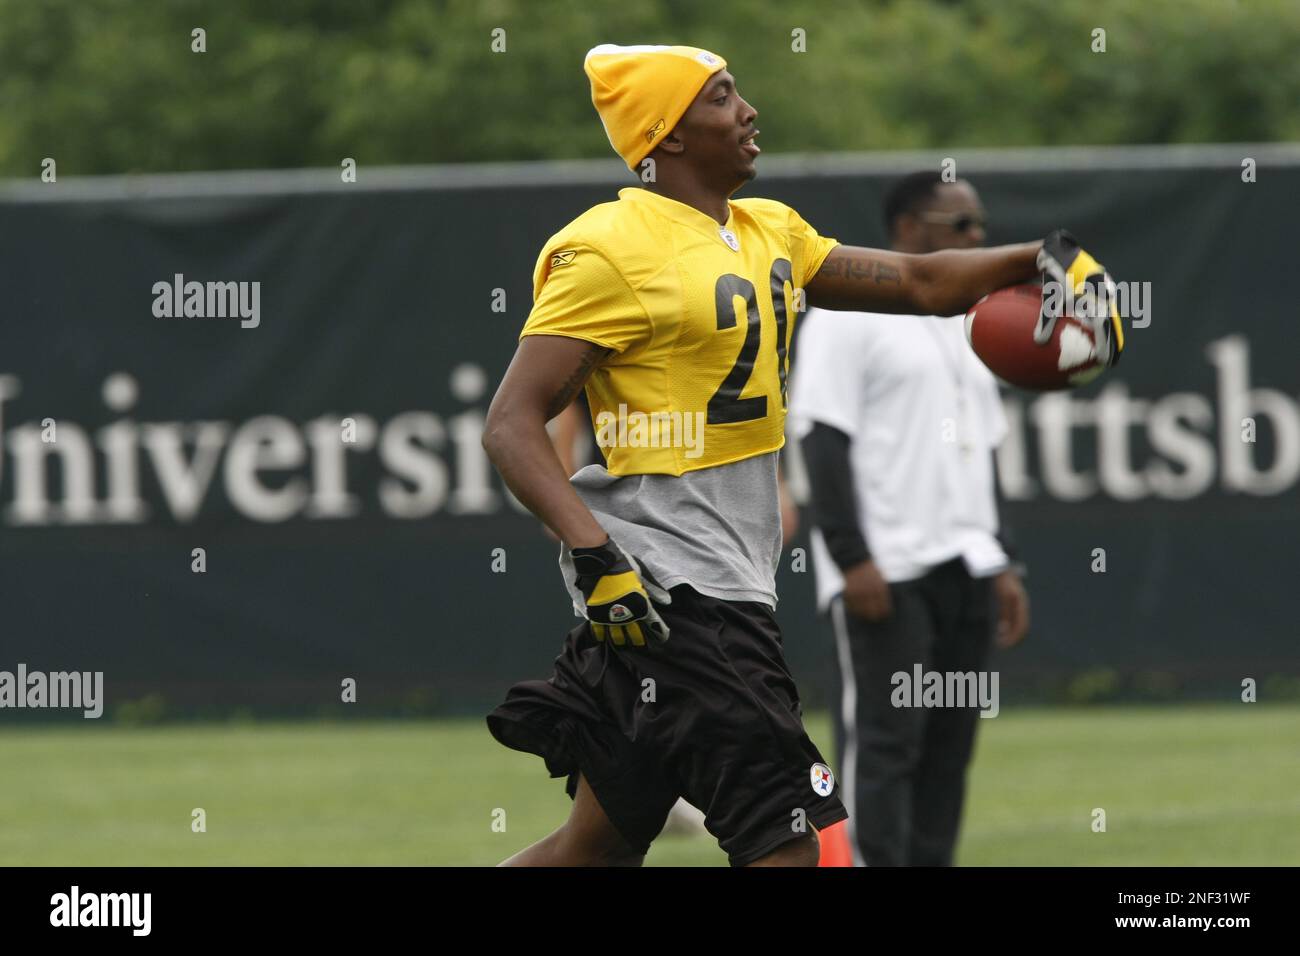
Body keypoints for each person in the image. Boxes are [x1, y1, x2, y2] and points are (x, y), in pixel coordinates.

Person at [481, 44, 1122, 868]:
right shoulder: (608, 247)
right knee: (794, 844)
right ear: (668, 134)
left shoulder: (769, 232)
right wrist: (594, 551)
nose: (747, 111)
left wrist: (1040, 255)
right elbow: (511, 422)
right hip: (675, 593)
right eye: (720, 98)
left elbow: (924, 284)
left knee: (590, 852)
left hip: (711, 587)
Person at [790, 171, 1031, 866]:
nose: (976, 238)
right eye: (959, 227)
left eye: (980, 225)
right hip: (888, 567)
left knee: (948, 748)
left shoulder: (975, 320)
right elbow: (821, 437)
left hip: (966, 563)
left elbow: (980, 452)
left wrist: (1002, 558)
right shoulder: (847, 314)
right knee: (886, 743)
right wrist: (849, 555)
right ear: (905, 232)